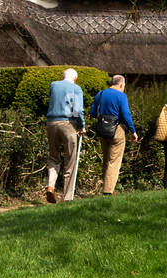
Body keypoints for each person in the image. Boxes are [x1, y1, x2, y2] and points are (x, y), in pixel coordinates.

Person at [88, 74, 138, 195]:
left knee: (106, 159)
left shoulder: (100, 94)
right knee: (114, 161)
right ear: (121, 84)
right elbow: (126, 115)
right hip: (117, 129)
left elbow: (93, 112)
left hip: (102, 130)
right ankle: (108, 191)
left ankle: (107, 187)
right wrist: (133, 131)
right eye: (124, 85)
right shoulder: (121, 96)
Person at [45, 68, 84, 203]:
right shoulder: (76, 88)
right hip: (68, 123)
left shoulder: (53, 85)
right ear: (75, 79)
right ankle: (67, 197)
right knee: (70, 161)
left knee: (54, 157)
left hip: (51, 123)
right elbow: (77, 110)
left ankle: (50, 186)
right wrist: (82, 126)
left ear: (63, 77)